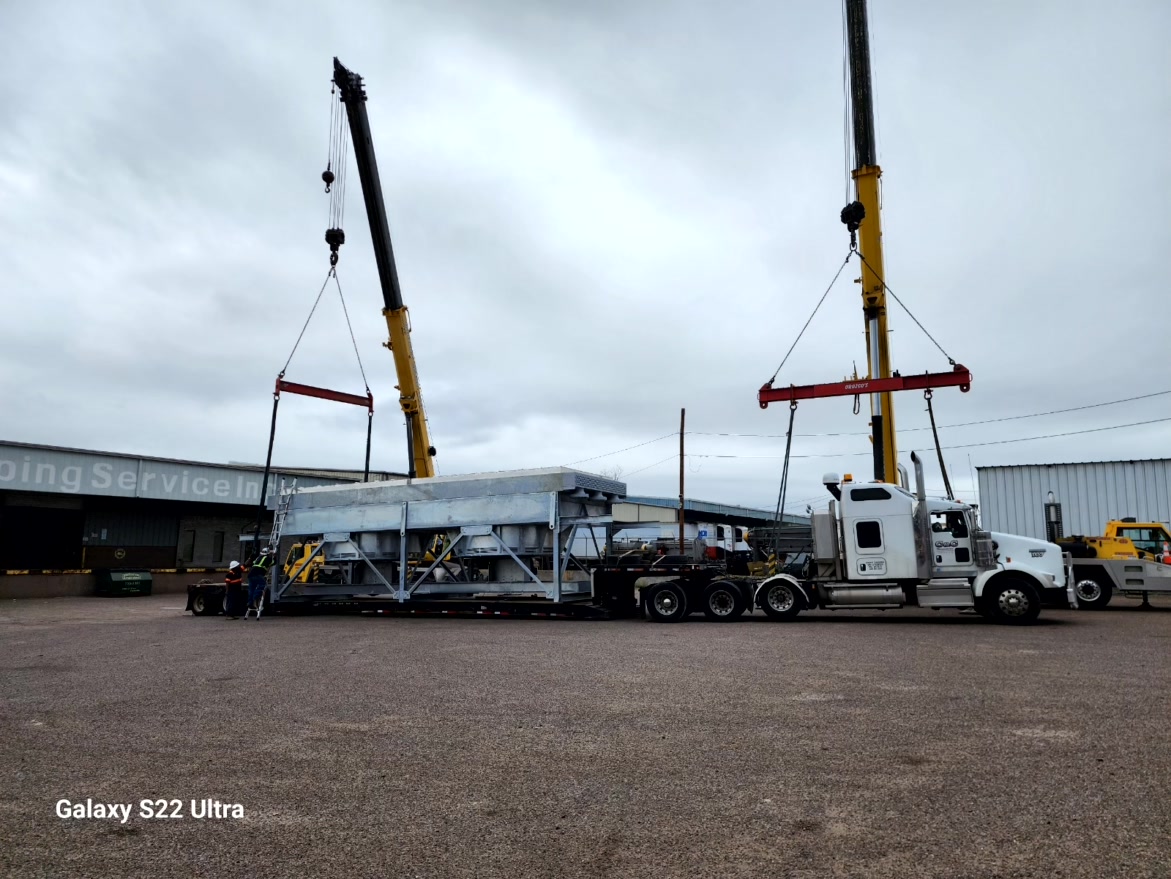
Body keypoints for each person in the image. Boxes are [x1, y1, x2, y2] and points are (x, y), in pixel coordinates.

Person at [244, 547, 273, 620]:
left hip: (251, 574)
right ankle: (255, 597)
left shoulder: (258, 558)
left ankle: (250, 603)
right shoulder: (267, 558)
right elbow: (273, 562)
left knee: (251, 589)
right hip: (258, 574)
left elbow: (253, 563)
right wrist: (274, 556)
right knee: (263, 585)